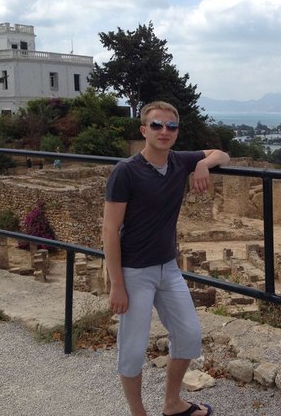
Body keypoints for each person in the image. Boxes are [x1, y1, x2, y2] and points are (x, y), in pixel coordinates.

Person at [102, 101, 230, 416]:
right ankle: (138, 412)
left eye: (171, 126)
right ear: (144, 130)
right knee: (133, 348)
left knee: (188, 336)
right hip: (134, 271)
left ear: (177, 132)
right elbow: (110, 229)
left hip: (168, 268)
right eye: (156, 125)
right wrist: (117, 284)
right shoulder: (126, 171)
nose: (164, 131)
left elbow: (222, 154)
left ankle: (172, 404)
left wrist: (202, 164)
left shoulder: (179, 161)